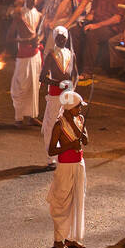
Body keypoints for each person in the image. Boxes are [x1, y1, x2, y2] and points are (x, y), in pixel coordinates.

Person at [47, 90, 88, 248]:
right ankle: (58, 240)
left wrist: (75, 126)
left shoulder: (80, 120)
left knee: (77, 200)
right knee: (63, 202)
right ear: (70, 108)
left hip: (79, 165)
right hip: (65, 168)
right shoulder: (59, 125)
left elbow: (85, 140)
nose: (80, 110)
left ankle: (71, 237)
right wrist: (69, 146)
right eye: (78, 107)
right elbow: (51, 150)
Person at [40, 26, 78, 168]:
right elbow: (42, 77)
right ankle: (51, 157)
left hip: (67, 95)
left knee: (66, 124)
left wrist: (72, 88)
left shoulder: (71, 54)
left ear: (66, 39)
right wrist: (57, 84)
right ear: (54, 39)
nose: (61, 40)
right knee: (51, 125)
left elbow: (75, 74)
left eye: (63, 38)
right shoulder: (51, 55)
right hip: (55, 96)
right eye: (58, 38)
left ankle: (63, 152)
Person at [9, 0, 44, 127]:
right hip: (23, 54)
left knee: (34, 85)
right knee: (20, 85)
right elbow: (9, 38)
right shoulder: (19, 15)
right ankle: (19, 117)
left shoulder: (39, 15)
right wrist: (25, 41)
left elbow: (41, 33)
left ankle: (32, 116)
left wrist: (38, 40)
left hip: (35, 54)